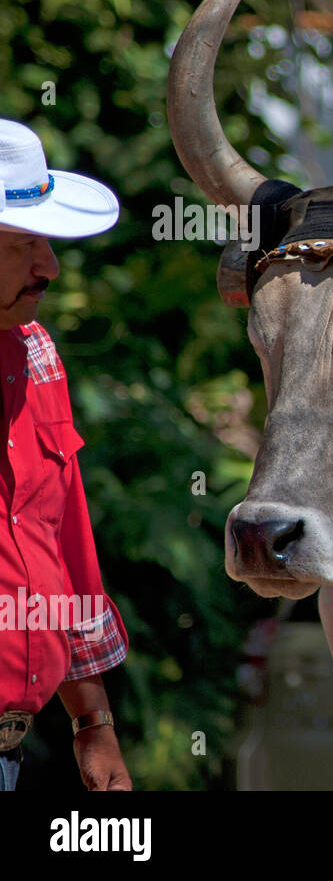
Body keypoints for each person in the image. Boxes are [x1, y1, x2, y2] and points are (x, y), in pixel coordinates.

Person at [0, 118, 130, 790]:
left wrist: (92, 722)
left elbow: (65, 542)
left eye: (45, 241)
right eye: (23, 244)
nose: (47, 266)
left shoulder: (37, 353)